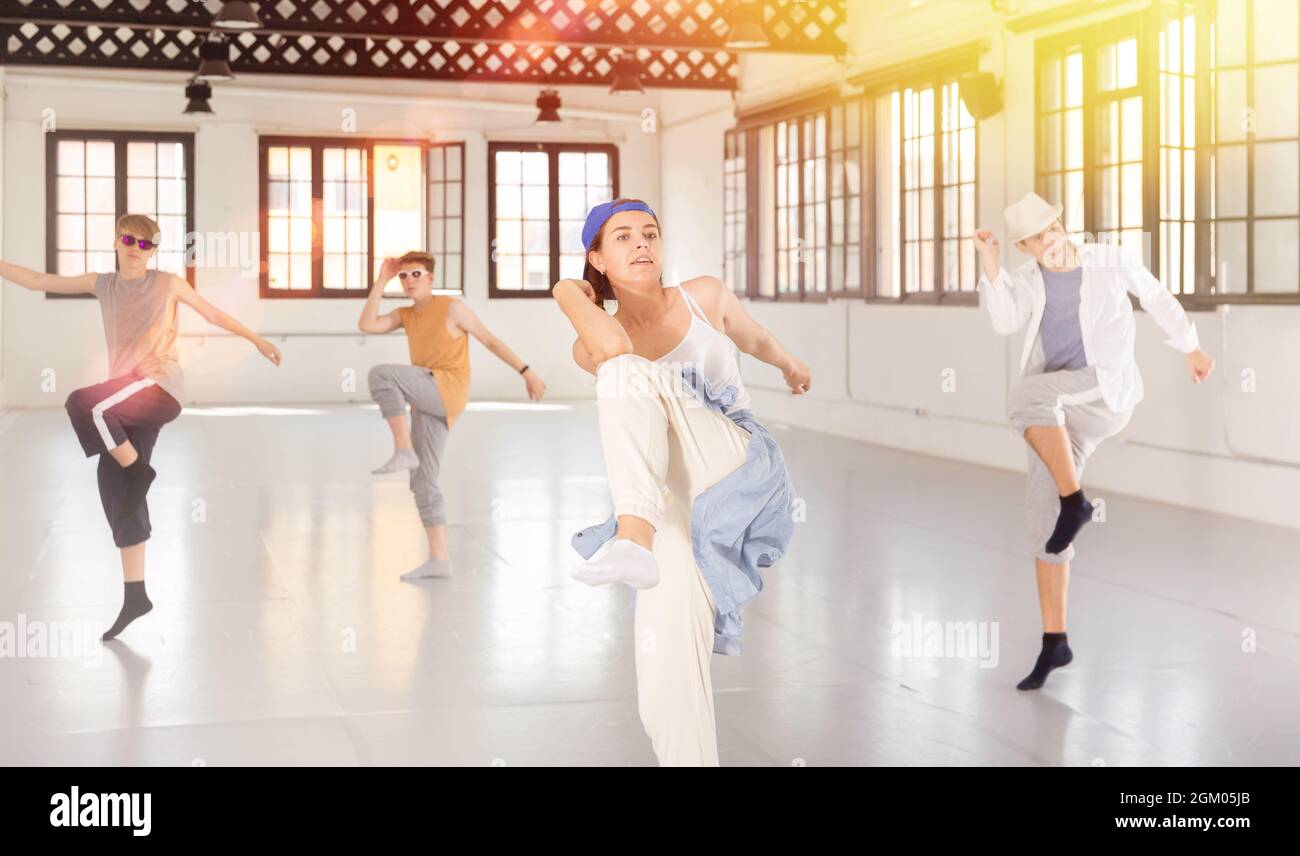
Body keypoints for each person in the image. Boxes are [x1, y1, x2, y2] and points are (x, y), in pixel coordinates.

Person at [554, 198, 811, 766]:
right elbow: (612, 348)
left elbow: (757, 339)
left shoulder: (704, 295)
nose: (641, 243)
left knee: (624, 371)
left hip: (736, 463)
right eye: (621, 238)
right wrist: (571, 293)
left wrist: (792, 366)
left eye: (649, 233)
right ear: (596, 256)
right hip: (675, 503)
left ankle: (633, 533)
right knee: (665, 672)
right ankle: (637, 541)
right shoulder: (594, 340)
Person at [0, 213, 282, 640]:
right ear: (116, 240)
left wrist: (256, 339)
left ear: (154, 252)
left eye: (147, 244)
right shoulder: (102, 284)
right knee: (114, 487)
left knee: (83, 404)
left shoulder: (167, 283)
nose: (136, 248)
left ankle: (140, 471)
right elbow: (39, 280)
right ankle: (136, 594)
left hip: (159, 388)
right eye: (130, 240)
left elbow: (213, 313)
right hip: (126, 397)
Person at [975, 191, 1215, 690]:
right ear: (1026, 247)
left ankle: (1076, 501)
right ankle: (1054, 643)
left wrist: (1191, 346)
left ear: (1062, 225)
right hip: (1058, 414)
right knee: (1045, 529)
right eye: (1038, 240)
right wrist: (991, 265)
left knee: (1021, 399)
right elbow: (1002, 320)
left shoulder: (1109, 259)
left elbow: (1154, 296)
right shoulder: (1026, 280)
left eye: (1053, 231)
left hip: (1103, 391)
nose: (1051, 243)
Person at [359, 250, 546, 580]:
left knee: (380, 375)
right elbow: (367, 324)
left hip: (448, 389)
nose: (409, 281)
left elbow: (489, 340)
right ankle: (439, 559)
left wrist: (526, 371)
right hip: (427, 397)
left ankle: (402, 449)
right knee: (423, 480)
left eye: (416, 274)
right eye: (403, 276)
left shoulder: (452, 308)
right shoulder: (405, 314)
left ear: (431, 278)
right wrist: (381, 280)